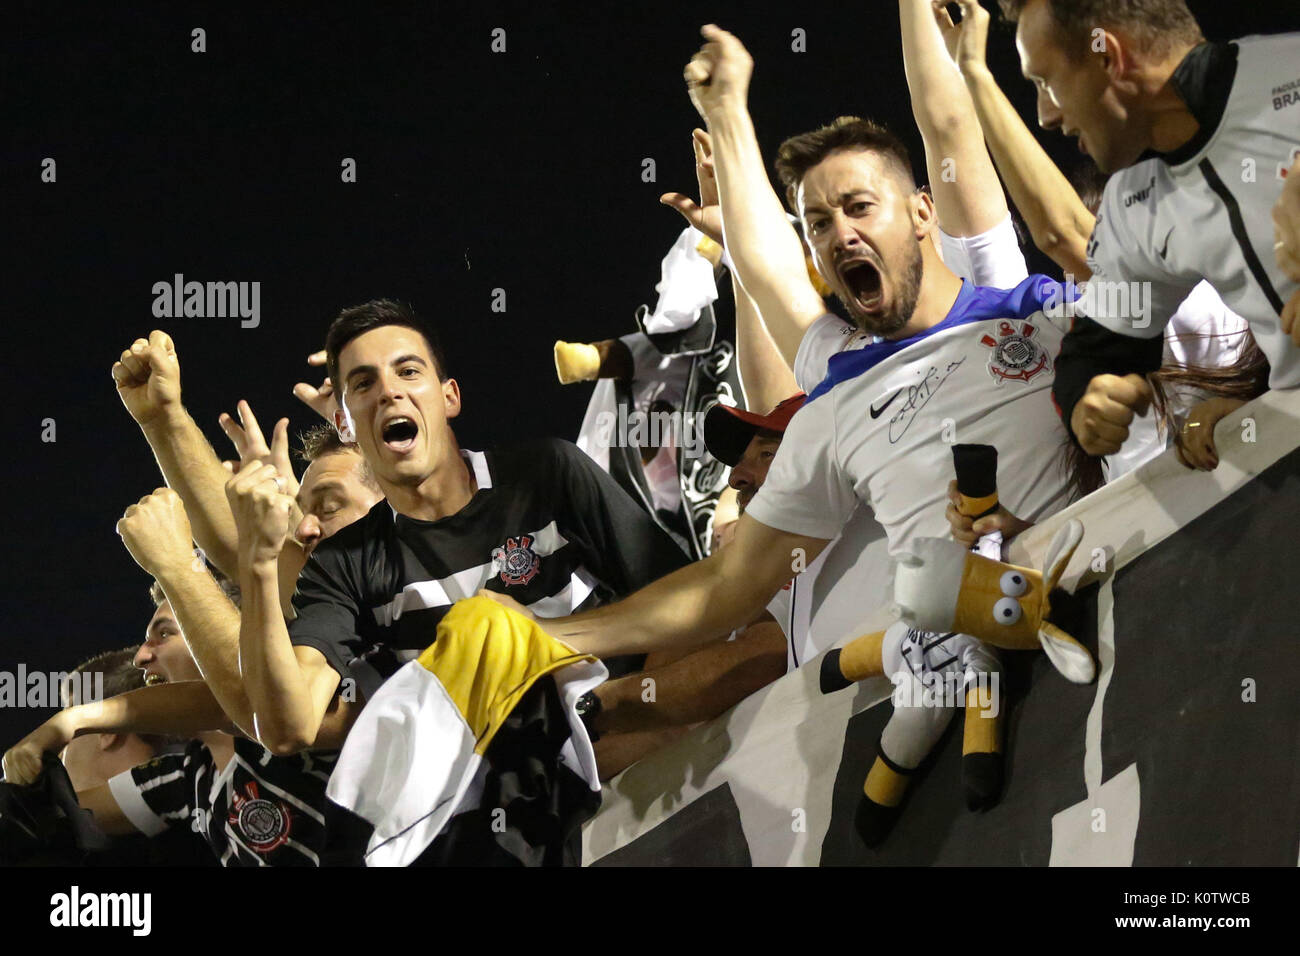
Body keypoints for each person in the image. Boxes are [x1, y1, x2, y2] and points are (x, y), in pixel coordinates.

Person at [936, 0, 1260, 476]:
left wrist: (975, 76)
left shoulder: (1187, 277)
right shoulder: (1104, 341)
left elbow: (1062, 234)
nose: (1046, 113)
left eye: (1046, 83)